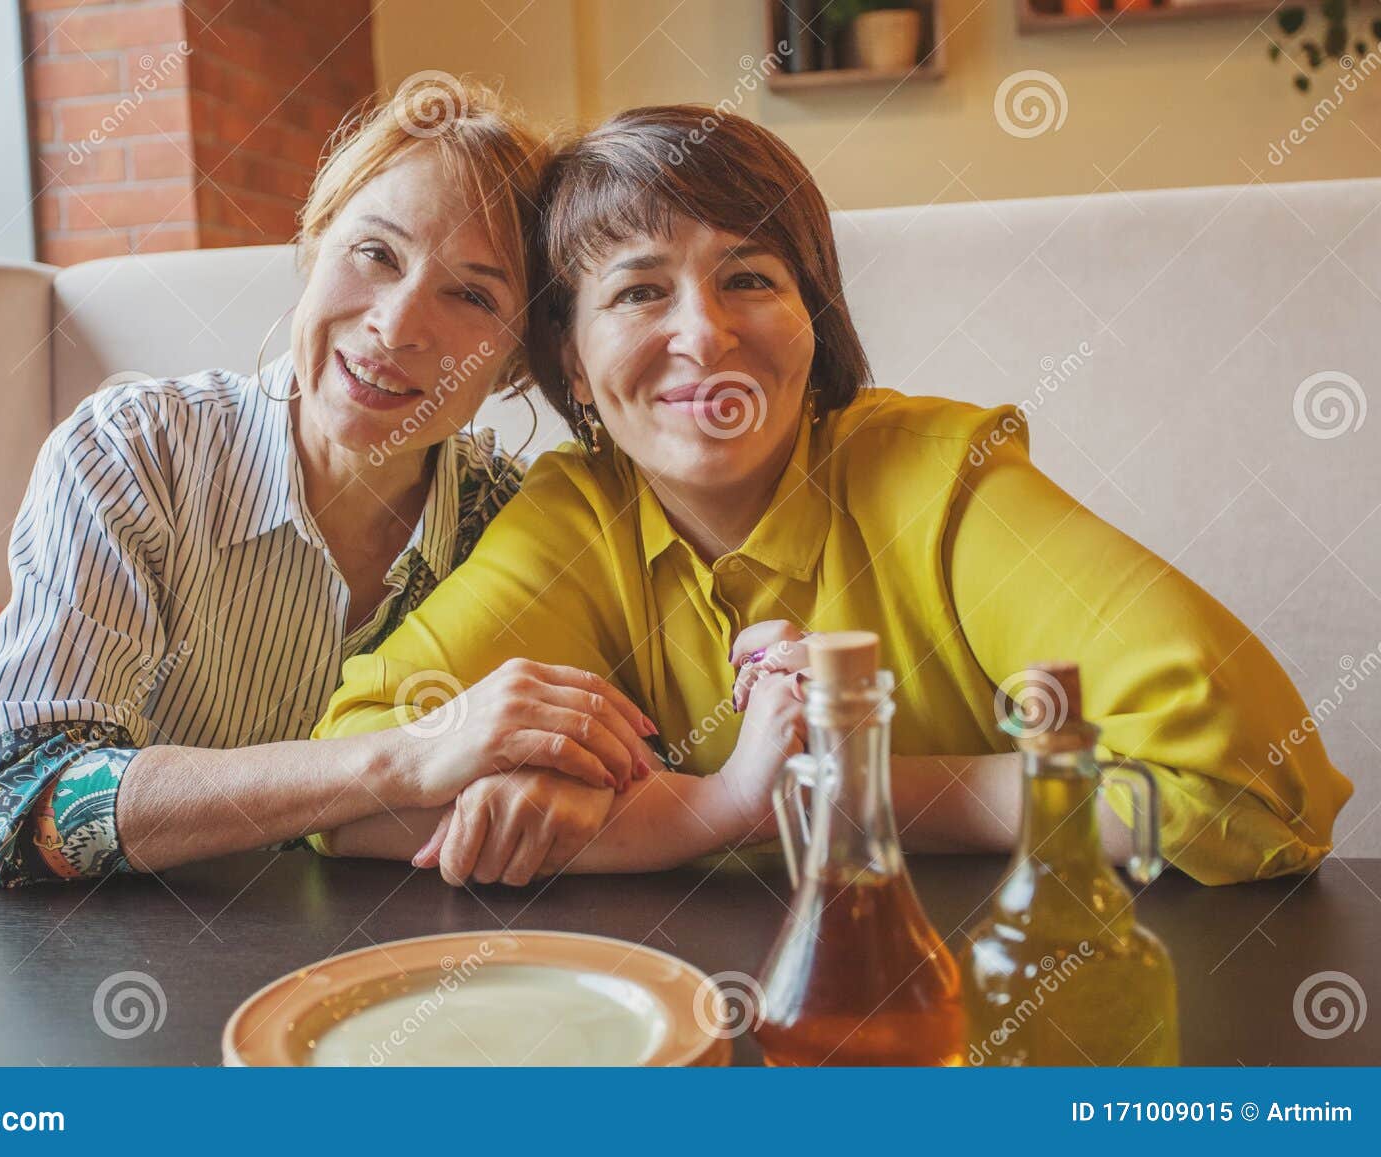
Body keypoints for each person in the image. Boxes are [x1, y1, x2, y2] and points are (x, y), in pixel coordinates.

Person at [314, 105, 1352, 889]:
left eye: (750, 278)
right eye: (637, 291)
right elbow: (354, 776)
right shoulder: (574, 514)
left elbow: (1257, 785)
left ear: (814, 320)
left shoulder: (941, 474)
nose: (703, 334)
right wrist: (709, 808)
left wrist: (846, 787)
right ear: (572, 366)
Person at [0, 78, 658, 887]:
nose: (395, 324)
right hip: (122, 971)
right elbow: (24, 810)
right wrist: (401, 758)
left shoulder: (514, 520)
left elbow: (605, 754)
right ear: (314, 246)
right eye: (375, 253)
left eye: (471, 294)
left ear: (517, 361)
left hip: (392, 975)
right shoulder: (133, 455)